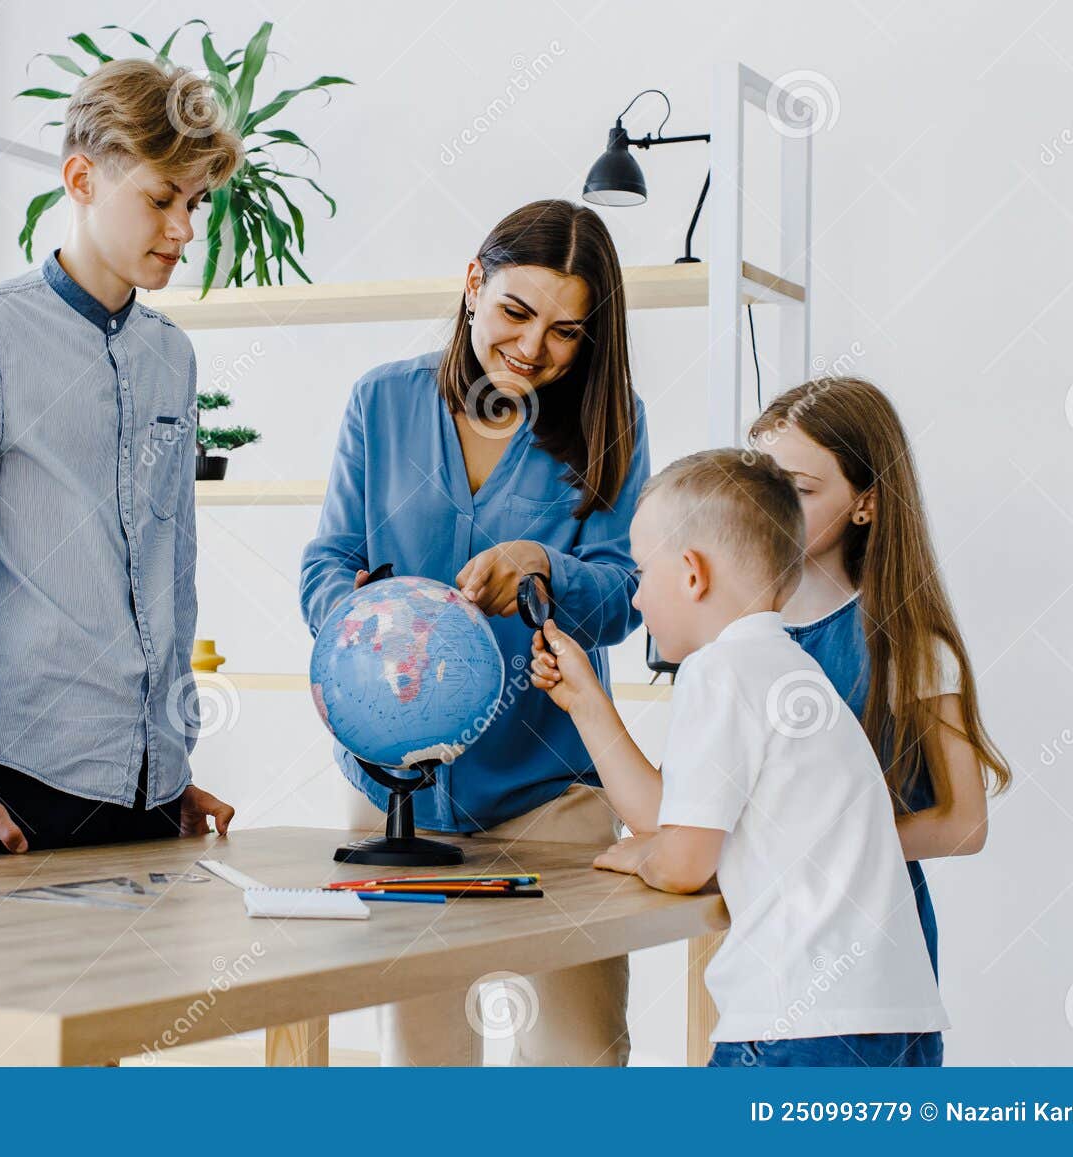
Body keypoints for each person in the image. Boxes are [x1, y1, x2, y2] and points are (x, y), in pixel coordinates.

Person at [300, 199, 649, 1066]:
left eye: (567, 332)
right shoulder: (381, 401)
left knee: (577, 1062)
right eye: (516, 312)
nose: (533, 350)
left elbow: (624, 595)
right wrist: (360, 617)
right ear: (471, 286)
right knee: (422, 1065)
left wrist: (545, 565)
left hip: (550, 797)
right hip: (398, 799)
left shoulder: (613, 424)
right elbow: (328, 560)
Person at [0, 60, 239, 856]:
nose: (184, 229)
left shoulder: (173, 357)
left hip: (153, 792)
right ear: (83, 179)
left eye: (193, 204)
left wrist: (169, 761)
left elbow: (174, 568)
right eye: (161, 199)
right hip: (20, 787)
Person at [531, 449, 948, 1066]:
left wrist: (649, 854)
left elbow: (682, 861)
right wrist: (588, 704)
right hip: (894, 1023)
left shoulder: (717, 671)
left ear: (692, 574)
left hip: (797, 1029)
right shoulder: (785, 669)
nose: (638, 601)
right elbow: (674, 815)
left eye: (642, 574)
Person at [750, 379, 1011, 1065]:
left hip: (867, 958)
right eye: (764, 486)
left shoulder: (907, 643)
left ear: (866, 502)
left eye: (800, 492)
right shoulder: (745, 636)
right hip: (764, 942)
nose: (773, 511)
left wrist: (820, 852)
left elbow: (963, 823)